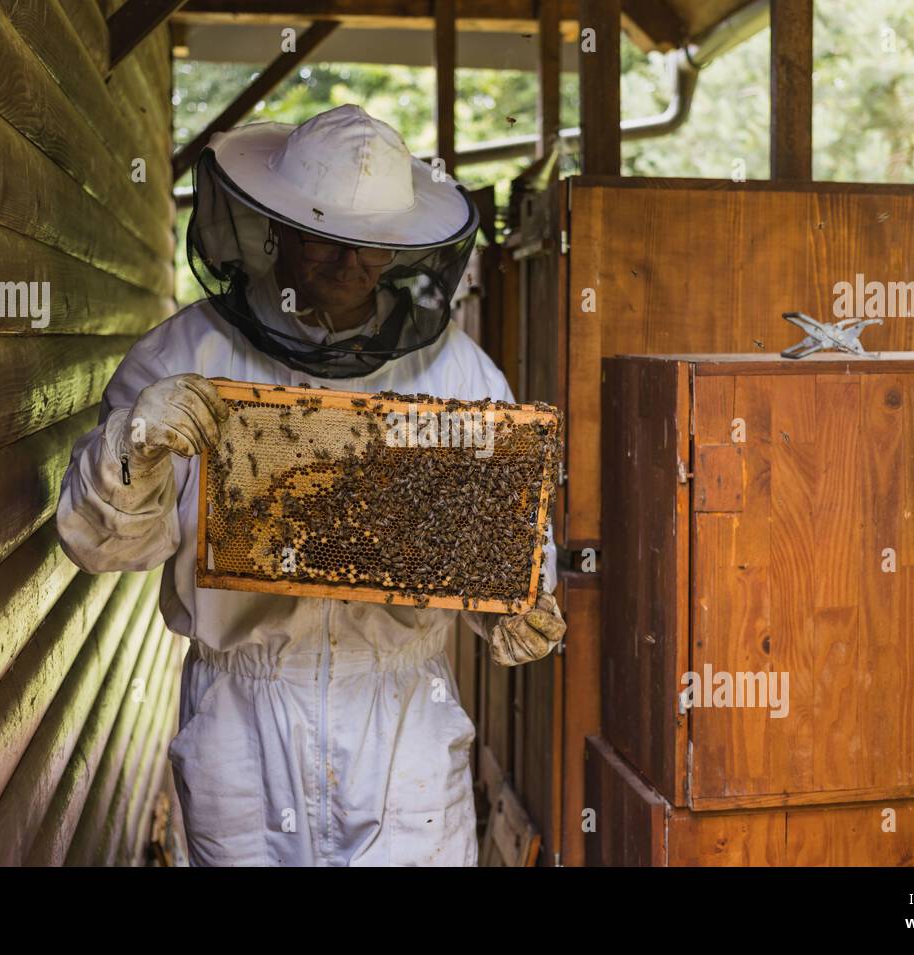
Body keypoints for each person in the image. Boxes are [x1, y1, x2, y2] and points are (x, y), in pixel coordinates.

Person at [55, 104, 566, 867]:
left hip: (402, 721)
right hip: (243, 721)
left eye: (370, 245)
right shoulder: (188, 353)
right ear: (278, 227)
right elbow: (102, 546)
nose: (349, 262)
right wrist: (135, 444)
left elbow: (510, 543)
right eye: (327, 238)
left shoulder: (456, 372)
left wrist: (518, 607)